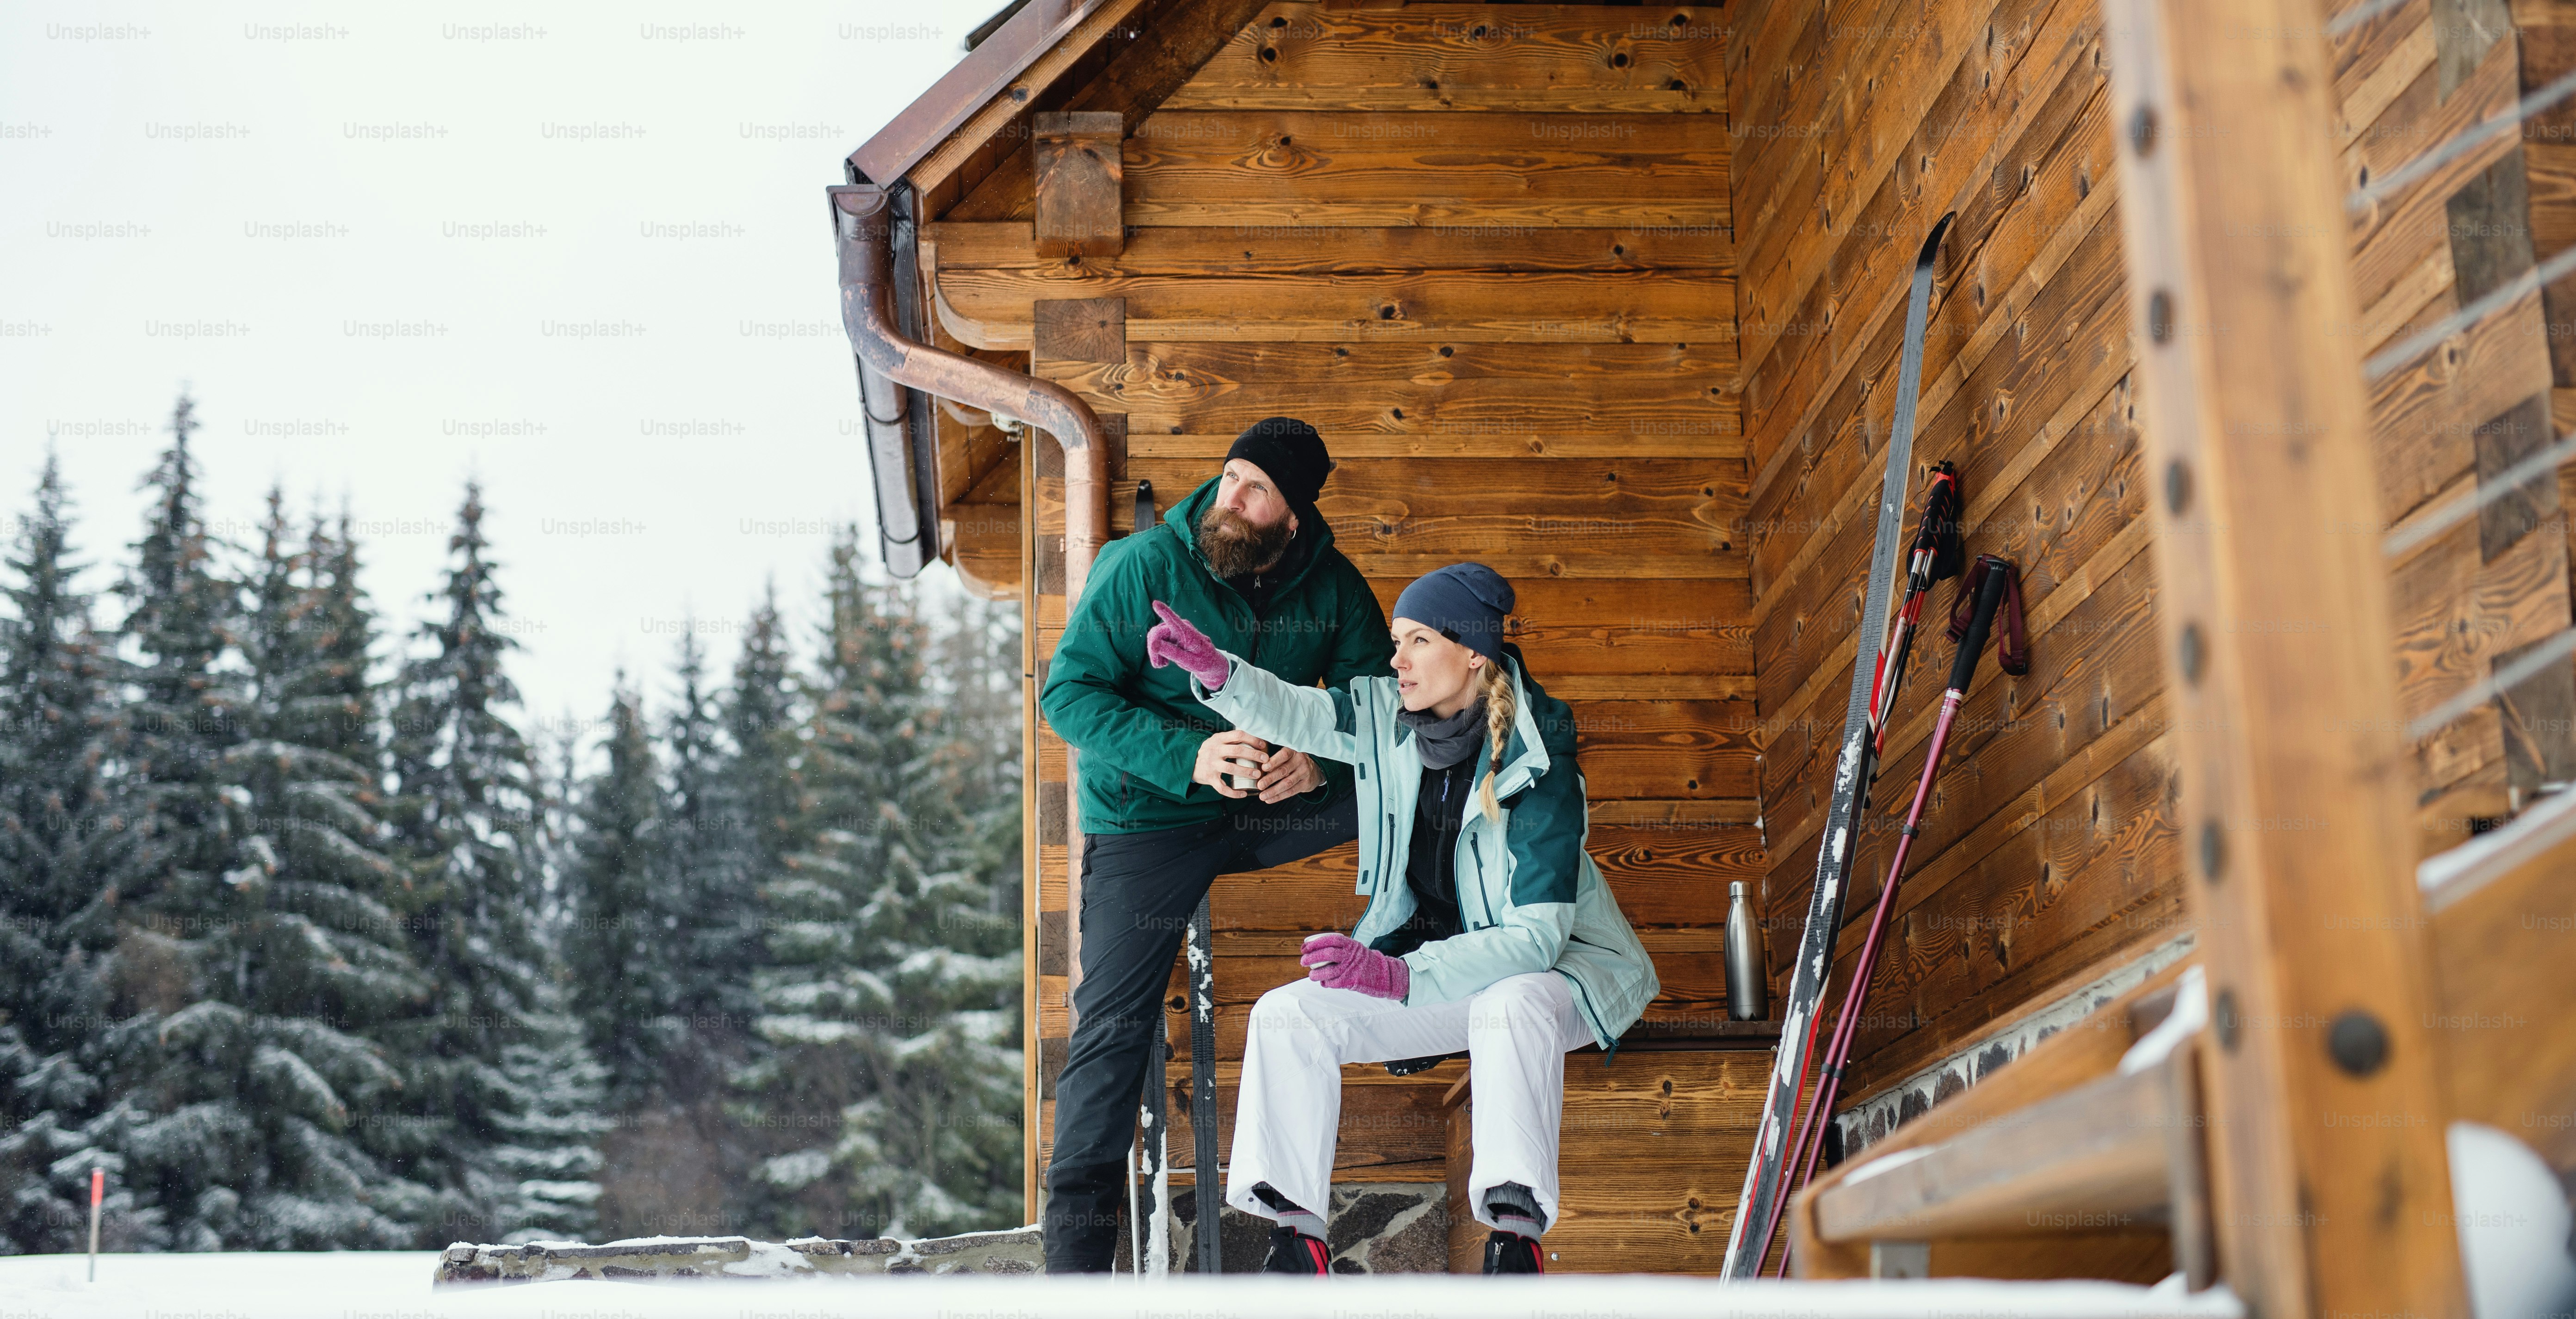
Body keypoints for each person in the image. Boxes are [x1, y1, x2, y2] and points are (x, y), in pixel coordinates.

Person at [1143, 563, 1660, 1275]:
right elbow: (1302, 713)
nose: (1397, 659)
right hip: (1443, 975)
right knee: (1287, 1015)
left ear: (1473, 651)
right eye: (1395, 640)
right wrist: (1221, 674)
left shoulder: (1541, 770)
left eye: (1417, 640)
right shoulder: (1390, 721)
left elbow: (1537, 942)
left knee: (1507, 1006)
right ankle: (1297, 1243)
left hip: (1561, 978)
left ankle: (1516, 1242)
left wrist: (1399, 974)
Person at [1035, 416, 1394, 1273]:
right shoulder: (1144, 565)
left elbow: (1383, 716)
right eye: (1232, 475)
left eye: (1257, 489)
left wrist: (1320, 767)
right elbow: (1069, 696)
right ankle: (1073, 1271)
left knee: (1420, 787)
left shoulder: (1336, 592)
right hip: (1151, 816)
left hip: (1270, 807)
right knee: (1115, 1025)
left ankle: (1450, 967)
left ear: (1292, 518)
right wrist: (1187, 755)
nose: (1233, 497)